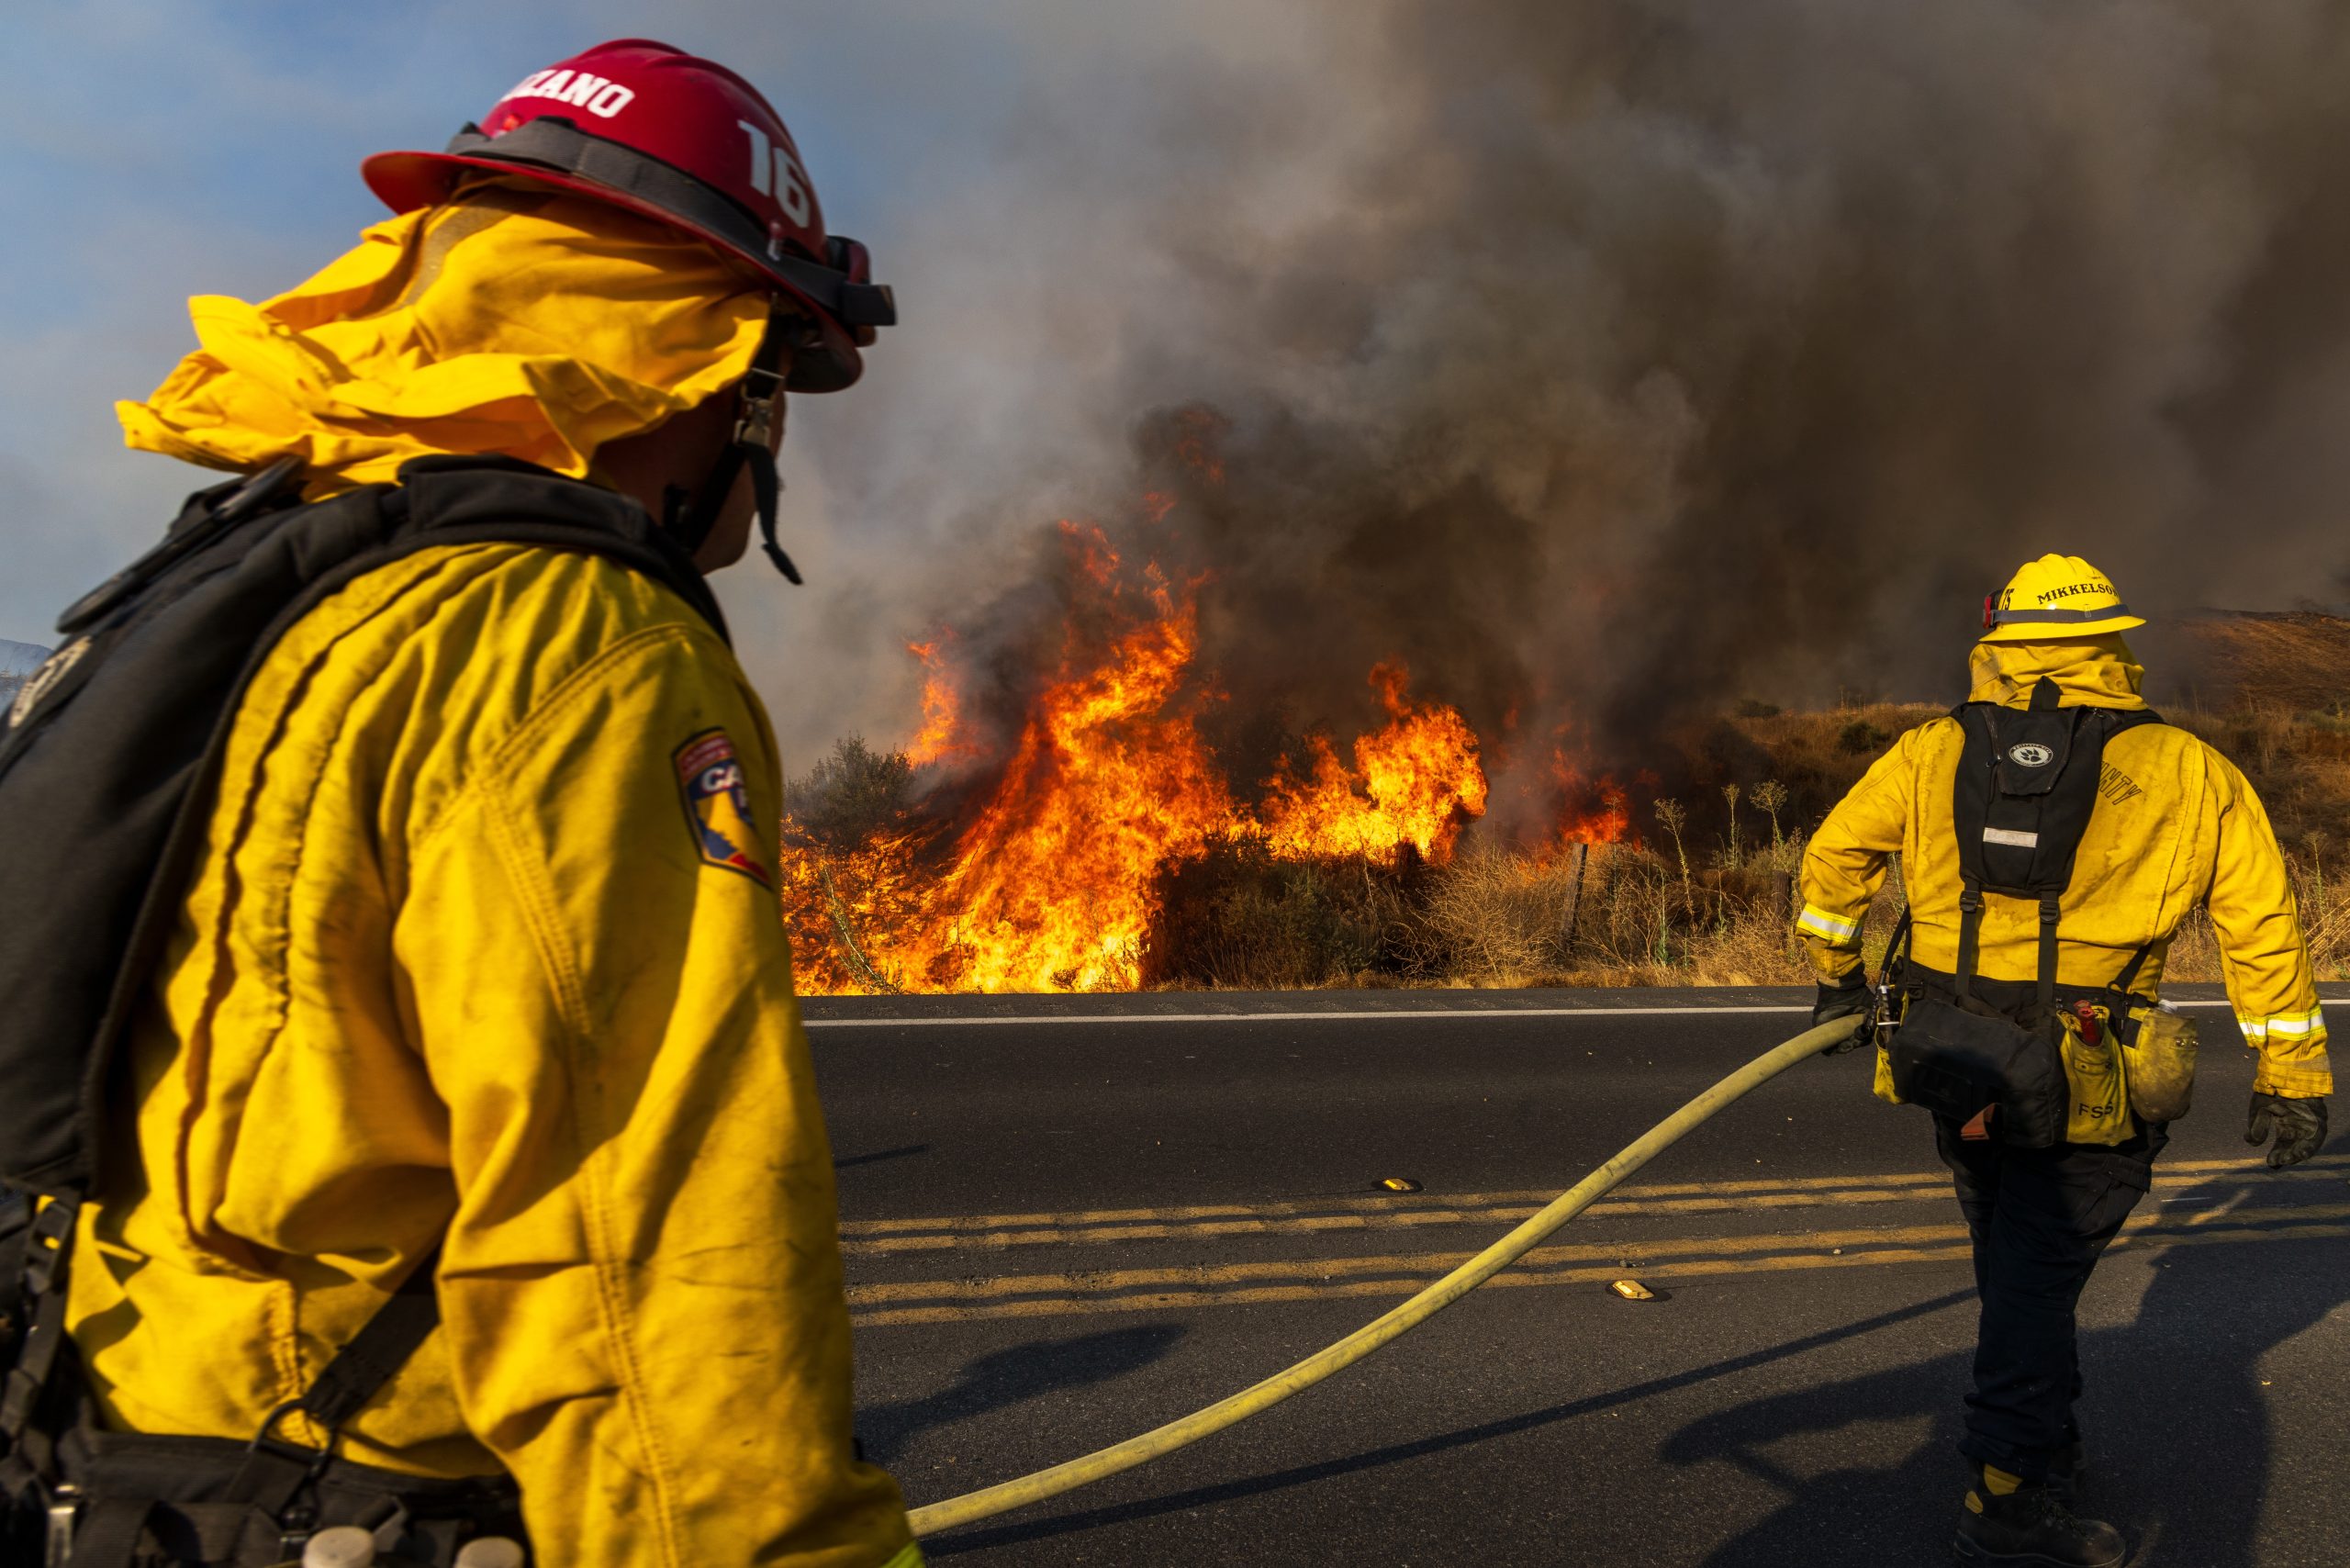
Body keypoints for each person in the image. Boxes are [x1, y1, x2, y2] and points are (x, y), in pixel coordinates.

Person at [20, 39, 919, 1568]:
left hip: (105, 1451)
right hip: (345, 1497)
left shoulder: (266, 586)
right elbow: (645, 1269)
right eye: (777, 386)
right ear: (719, 370)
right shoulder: (577, 651)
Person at [1796, 554, 2330, 1568]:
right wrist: (2292, 1073)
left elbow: (1831, 864)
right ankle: (2005, 1500)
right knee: (2033, 1285)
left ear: (2000, 643)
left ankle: (2043, 1449)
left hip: (1952, 1059)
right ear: (2109, 643)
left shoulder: (1930, 749)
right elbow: (2262, 928)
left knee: (2012, 1267)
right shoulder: (2186, 768)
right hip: (2086, 1078)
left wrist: (1837, 978)